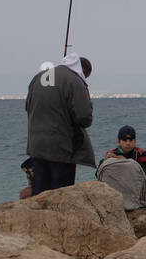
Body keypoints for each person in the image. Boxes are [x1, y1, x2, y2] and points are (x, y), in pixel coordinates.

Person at [25, 53, 96, 196]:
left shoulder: (39, 77)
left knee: (40, 192)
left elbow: (28, 106)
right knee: (61, 194)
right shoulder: (75, 81)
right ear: (83, 71)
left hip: (36, 146)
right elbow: (84, 117)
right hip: (61, 148)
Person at [96, 125, 146, 210]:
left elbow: (142, 173)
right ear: (119, 141)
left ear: (135, 141)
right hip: (114, 191)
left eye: (131, 140)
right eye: (124, 140)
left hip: (134, 191)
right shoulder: (111, 153)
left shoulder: (141, 154)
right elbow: (98, 174)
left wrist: (124, 160)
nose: (128, 143)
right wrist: (104, 161)